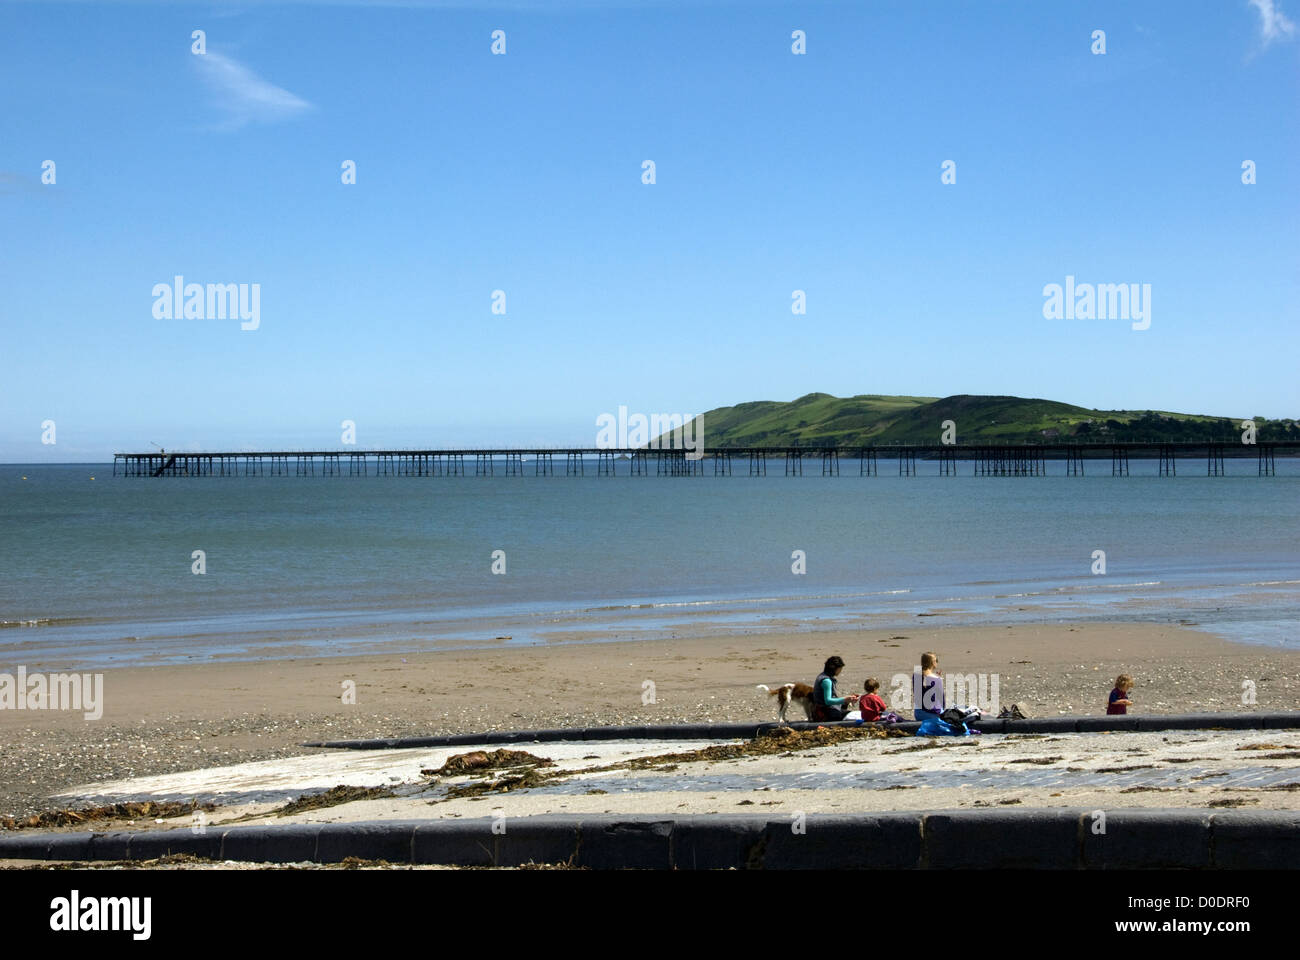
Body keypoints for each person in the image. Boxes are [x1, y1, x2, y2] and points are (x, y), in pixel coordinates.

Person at [811, 655, 858, 721]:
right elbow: (828, 701)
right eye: (840, 669)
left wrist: (847, 700)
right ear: (835, 669)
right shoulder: (826, 681)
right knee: (854, 715)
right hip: (825, 713)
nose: (840, 671)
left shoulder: (822, 675)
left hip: (823, 710)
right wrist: (844, 699)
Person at [914, 651, 944, 722]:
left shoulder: (916, 675)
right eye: (936, 660)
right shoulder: (936, 679)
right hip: (931, 715)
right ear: (933, 663)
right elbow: (941, 702)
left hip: (918, 713)